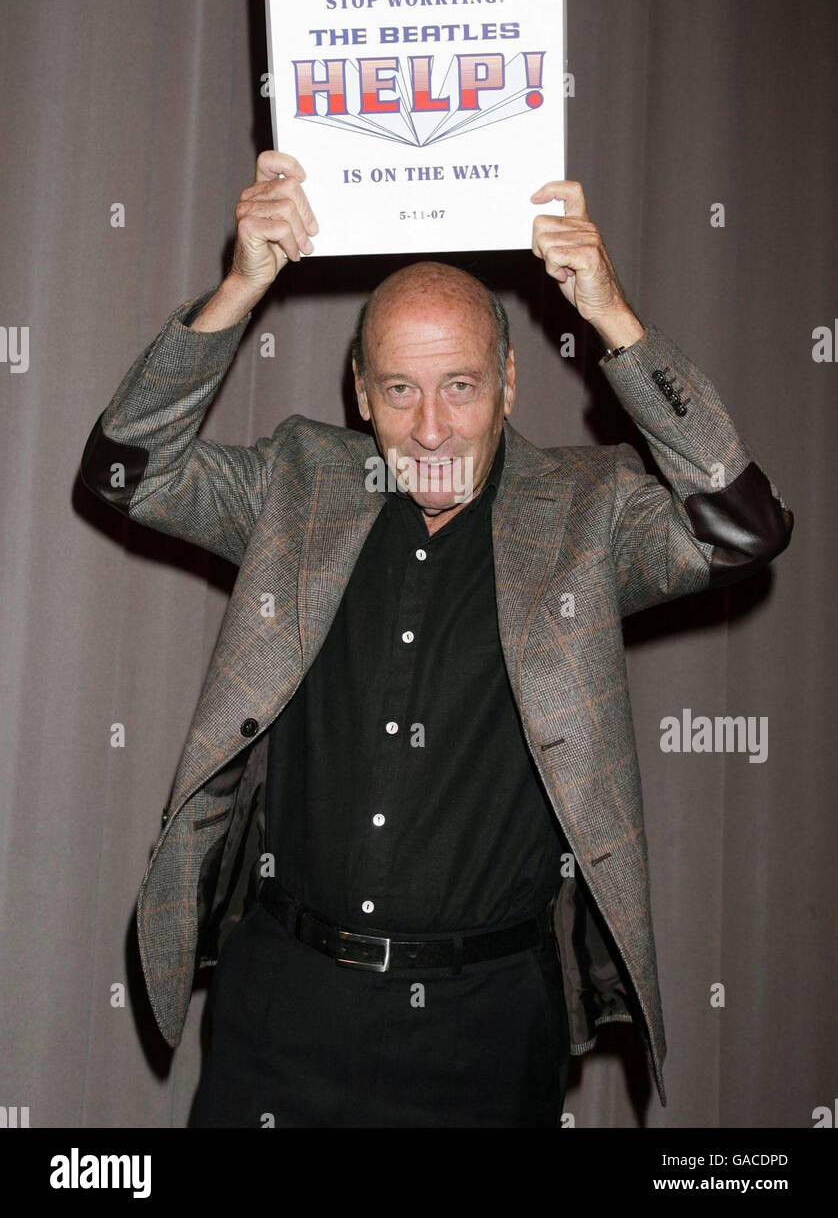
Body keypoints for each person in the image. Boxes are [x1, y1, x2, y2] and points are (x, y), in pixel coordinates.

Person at [80, 150, 793, 1127]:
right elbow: (129, 473)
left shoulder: (587, 514)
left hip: (488, 1028)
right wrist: (242, 284)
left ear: (507, 382)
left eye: (459, 386)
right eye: (400, 390)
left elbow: (744, 528)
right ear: (360, 395)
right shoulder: (296, 483)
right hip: (282, 1004)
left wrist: (612, 317)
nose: (429, 429)